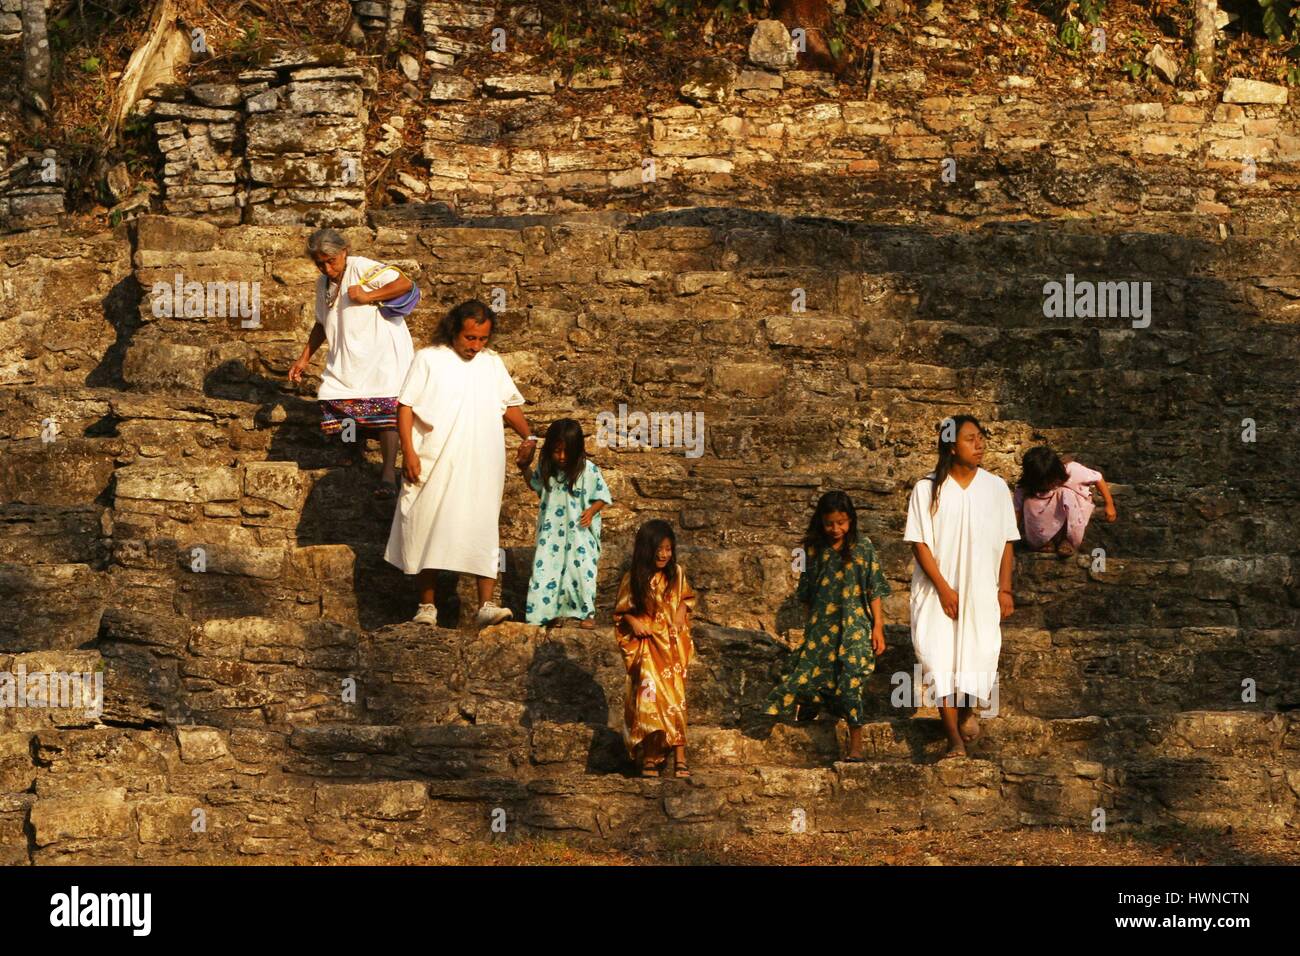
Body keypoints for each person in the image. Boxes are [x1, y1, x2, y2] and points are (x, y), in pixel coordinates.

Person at [385, 300, 537, 627]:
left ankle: (486, 604)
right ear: (455, 330)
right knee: (427, 522)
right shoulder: (429, 359)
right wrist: (408, 452)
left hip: (481, 460)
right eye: (470, 338)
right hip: (434, 456)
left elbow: (508, 405)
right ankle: (427, 606)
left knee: (481, 525)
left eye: (482, 339)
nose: (476, 346)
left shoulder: (491, 363)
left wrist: (529, 436)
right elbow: (405, 406)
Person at [904, 415, 1019, 759]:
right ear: (952, 446)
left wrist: (1005, 589)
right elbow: (919, 542)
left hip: (981, 590)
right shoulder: (927, 489)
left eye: (981, 438)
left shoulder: (996, 487)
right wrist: (943, 588)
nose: (979, 444)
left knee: (976, 654)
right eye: (971, 439)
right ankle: (953, 740)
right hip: (936, 590)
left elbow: (1007, 542)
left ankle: (968, 709)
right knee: (939, 661)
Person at [288, 228, 416, 499]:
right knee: (336, 400)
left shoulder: (361, 268)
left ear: (343, 251)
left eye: (330, 261)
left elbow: (404, 284)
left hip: (382, 354)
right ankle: (351, 451)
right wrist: (303, 359)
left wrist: (368, 296)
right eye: (319, 263)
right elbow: (322, 323)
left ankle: (388, 474)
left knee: (386, 413)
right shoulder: (322, 283)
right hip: (347, 355)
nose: (326, 267)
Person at [764, 491, 889, 763]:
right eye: (830, 523)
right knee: (810, 678)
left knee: (851, 681)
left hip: (856, 626)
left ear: (851, 520)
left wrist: (877, 627)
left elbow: (875, 589)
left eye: (842, 522)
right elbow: (807, 594)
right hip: (822, 628)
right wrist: (811, 631)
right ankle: (803, 729)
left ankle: (856, 745)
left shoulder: (863, 547)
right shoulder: (813, 550)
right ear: (821, 522)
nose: (836, 529)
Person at [612, 520, 697, 778]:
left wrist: (681, 614)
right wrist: (635, 623)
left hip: (672, 649)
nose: (663, 555)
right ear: (646, 550)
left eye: (668, 549)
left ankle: (679, 756)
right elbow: (622, 612)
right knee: (648, 701)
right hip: (648, 648)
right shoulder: (633, 578)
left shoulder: (677, 573)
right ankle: (650, 755)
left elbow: (687, 599)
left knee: (675, 701)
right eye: (659, 549)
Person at [519, 419, 612, 629]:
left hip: (579, 535)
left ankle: (585, 613)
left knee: (581, 572)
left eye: (566, 451)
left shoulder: (588, 470)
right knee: (544, 572)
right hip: (551, 535)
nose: (561, 457)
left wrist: (591, 511)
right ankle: (544, 613)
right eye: (557, 451)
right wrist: (524, 467)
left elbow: (602, 496)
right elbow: (534, 485)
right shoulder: (546, 470)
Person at [1014, 446, 1116, 555]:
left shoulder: (1073, 471)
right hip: (1042, 530)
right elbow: (1017, 510)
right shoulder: (1025, 488)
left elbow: (1098, 478)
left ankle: (1067, 541)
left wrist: (1109, 504)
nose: (1046, 485)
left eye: (1049, 481)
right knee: (1030, 501)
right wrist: (1012, 537)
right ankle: (1044, 542)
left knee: (1065, 494)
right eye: (1041, 483)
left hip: (1067, 521)